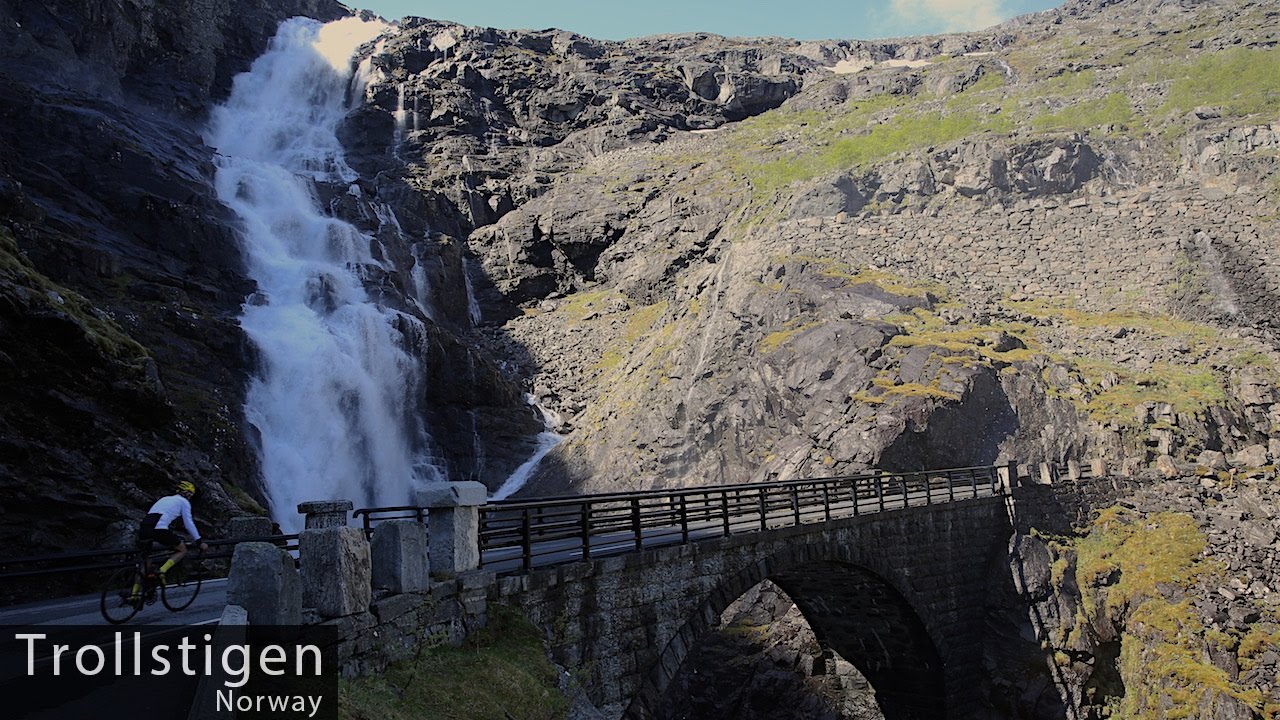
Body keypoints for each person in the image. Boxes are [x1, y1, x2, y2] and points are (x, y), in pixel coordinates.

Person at [136, 481, 208, 586]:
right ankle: (162, 570)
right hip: (159, 529)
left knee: (147, 560)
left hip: (144, 529)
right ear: (188, 494)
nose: (190, 496)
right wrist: (199, 541)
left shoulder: (164, 499)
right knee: (182, 549)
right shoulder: (184, 502)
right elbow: (188, 524)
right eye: (190, 494)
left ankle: (135, 594)